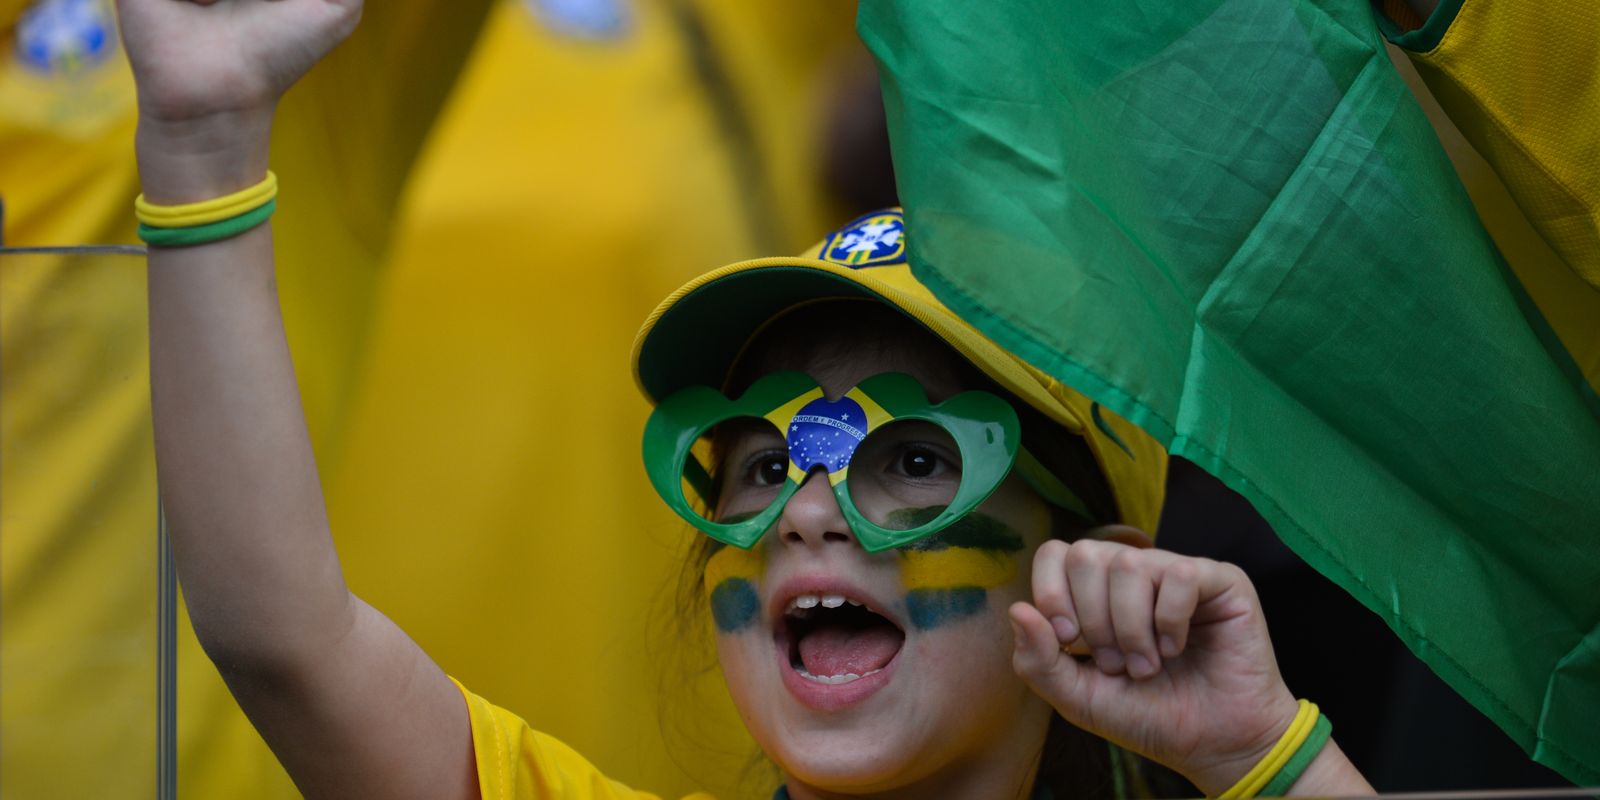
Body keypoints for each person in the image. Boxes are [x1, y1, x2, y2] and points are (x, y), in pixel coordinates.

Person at [120, 0, 1376, 797]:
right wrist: (200, 141)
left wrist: (1259, 750)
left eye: (915, 459)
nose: (808, 512)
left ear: (1093, 570)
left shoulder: (1249, 754)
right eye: (765, 465)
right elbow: (282, 636)